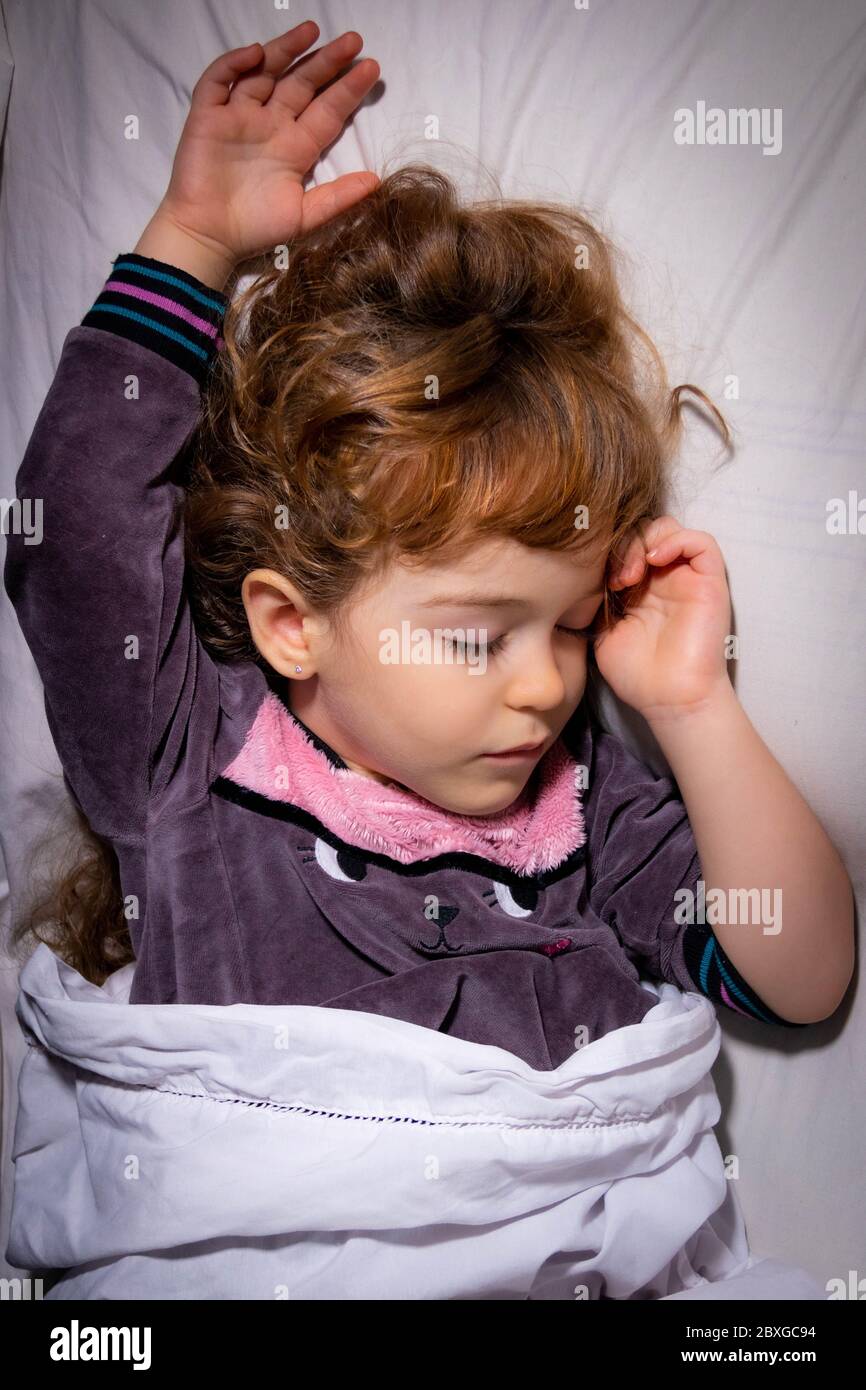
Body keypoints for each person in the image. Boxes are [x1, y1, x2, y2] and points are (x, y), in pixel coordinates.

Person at [4, 21, 854, 1074]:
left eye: (574, 625)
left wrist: (689, 707)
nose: (544, 686)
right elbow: (74, 520)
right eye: (473, 640)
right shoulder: (188, 752)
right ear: (290, 624)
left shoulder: (579, 806)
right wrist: (193, 239)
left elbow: (800, 979)